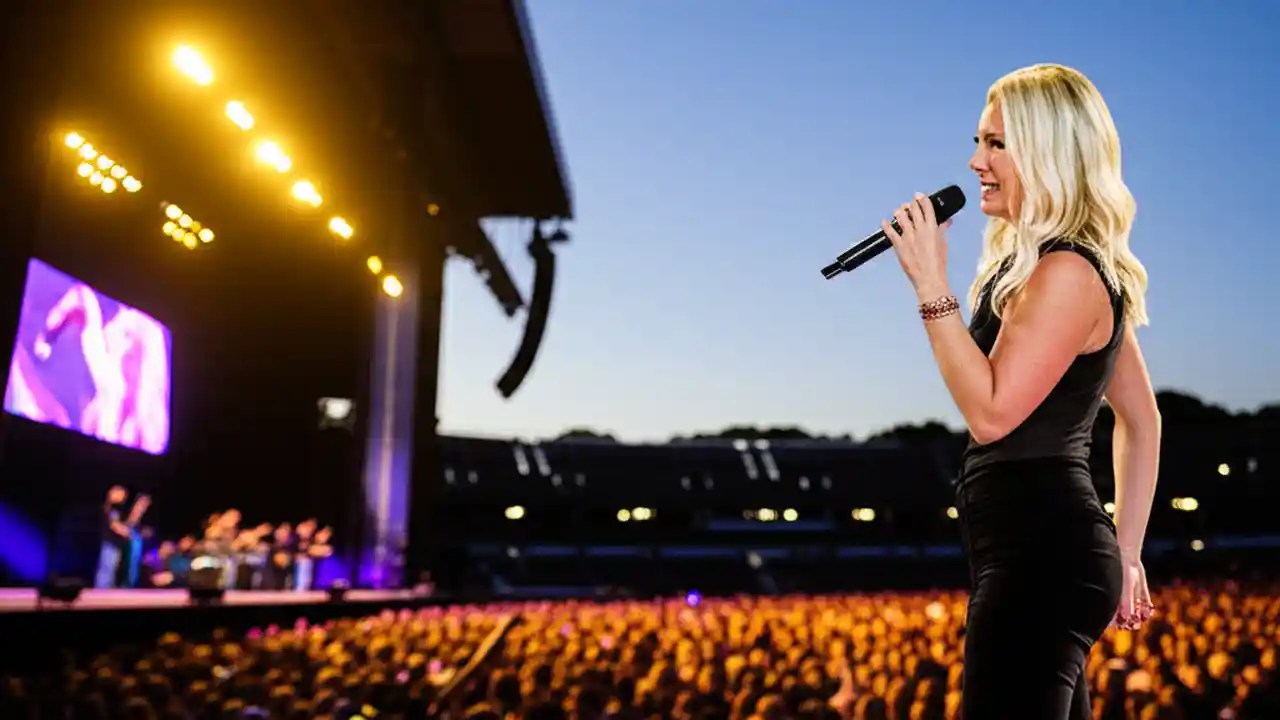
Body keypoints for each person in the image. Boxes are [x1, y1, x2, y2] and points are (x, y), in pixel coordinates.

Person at [880, 63, 1161, 718]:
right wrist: (1124, 551)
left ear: (1048, 153)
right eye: (979, 142)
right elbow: (1141, 420)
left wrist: (931, 287)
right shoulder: (1055, 265)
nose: (976, 161)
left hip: (1042, 556)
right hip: (1046, 552)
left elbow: (992, 413)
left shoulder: (1066, 270)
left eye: (997, 144)